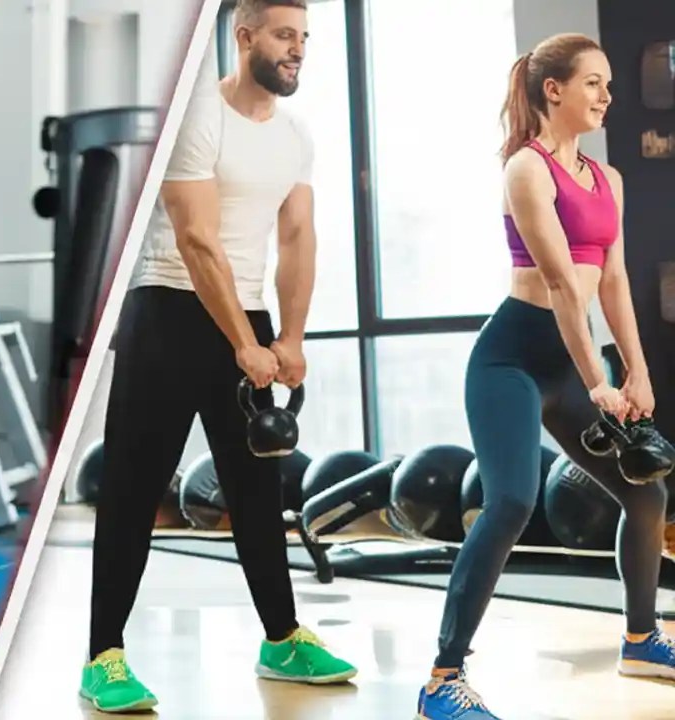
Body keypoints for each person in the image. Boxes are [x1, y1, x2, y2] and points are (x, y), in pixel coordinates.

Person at [78, 1, 358, 713]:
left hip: (250, 319)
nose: (297, 50)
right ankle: (102, 656)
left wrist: (289, 337)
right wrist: (244, 344)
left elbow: (299, 239)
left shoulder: (294, 136)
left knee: (258, 493)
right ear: (245, 37)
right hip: (169, 311)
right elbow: (197, 240)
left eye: (304, 38)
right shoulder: (195, 118)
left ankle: (282, 638)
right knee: (134, 492)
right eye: (284, 35)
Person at [416, 33, 674, 720]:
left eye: (610, 83)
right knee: (509, 501)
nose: (607, 95)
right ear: (552, 89)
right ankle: (443, 679)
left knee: (647, 497)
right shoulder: (525, 171)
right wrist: (599, 378)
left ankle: (642, 639)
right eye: (593, 82)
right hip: (511, 359)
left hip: (571, 363)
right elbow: (561, 283)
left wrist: (637, 371)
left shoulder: (608, 178)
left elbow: (611, 281)